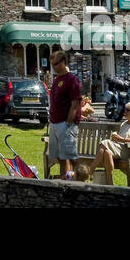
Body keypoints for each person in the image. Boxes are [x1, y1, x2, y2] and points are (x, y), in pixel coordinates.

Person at [89, 101, 130, 185]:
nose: (125, 112)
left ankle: (90, 171)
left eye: (127, 110)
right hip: (122, 149)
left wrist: (123, 139)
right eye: (125, 109)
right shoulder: (124, 124)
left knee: (105, 143)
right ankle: (110, 184)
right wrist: (115, 138)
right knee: (107, 152)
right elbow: (119, 140)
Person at [48, 49, 82, 180]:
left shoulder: (71, 80)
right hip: (55, 122)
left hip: (66, 124)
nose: (54, 67)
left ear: (63, 62)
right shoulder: (57, 80)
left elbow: (75, 104)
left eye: (56, 64)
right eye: (52, 65)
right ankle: (66, 180)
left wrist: (68, 123)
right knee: (60, 157)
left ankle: (84, 178)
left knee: (71, 157)